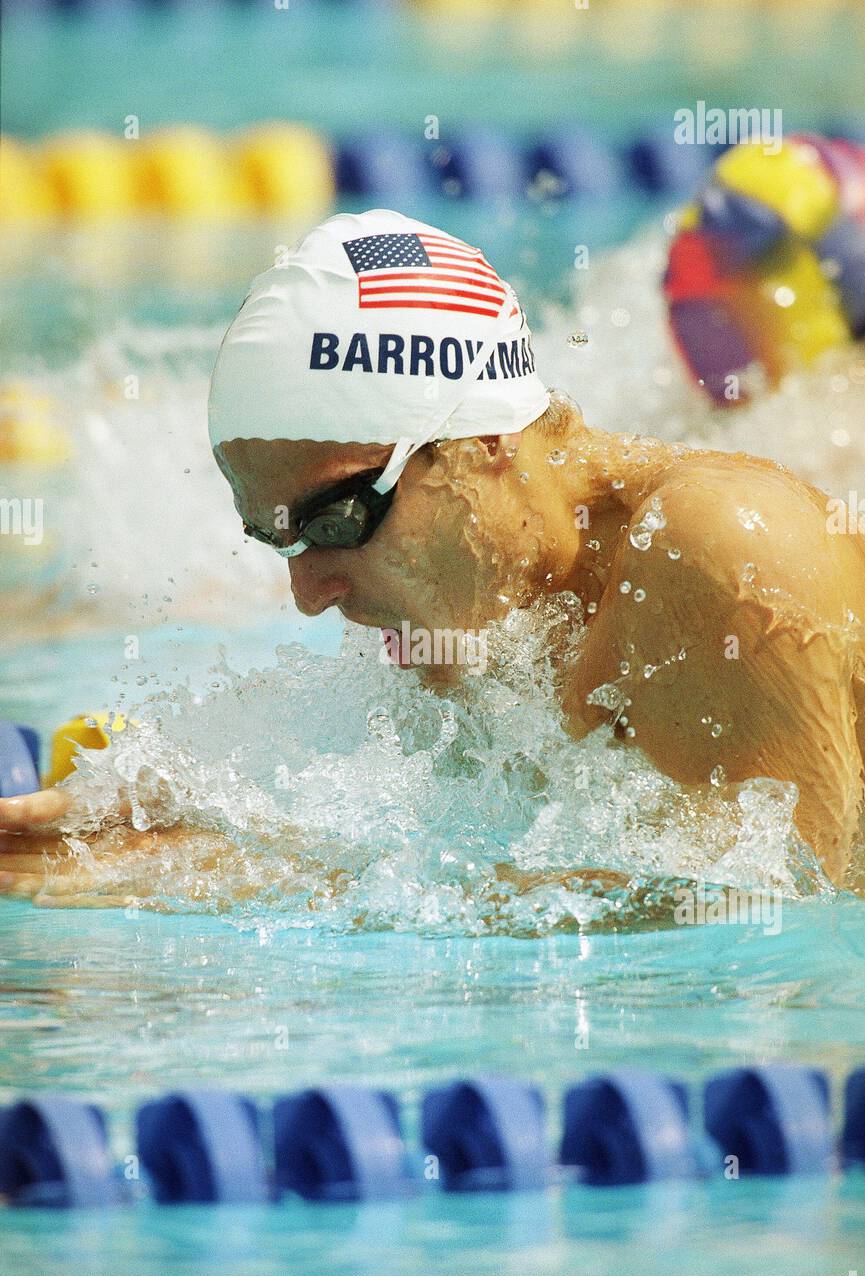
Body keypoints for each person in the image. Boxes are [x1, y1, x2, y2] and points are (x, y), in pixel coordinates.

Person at [2, 209, 864, 905]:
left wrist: (247, 882)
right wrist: (177, 824)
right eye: (279, 539)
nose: (307, 592)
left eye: (335, 518)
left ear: (480, 441)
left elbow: (773, 926)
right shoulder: (469, 612)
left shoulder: (717, 551)